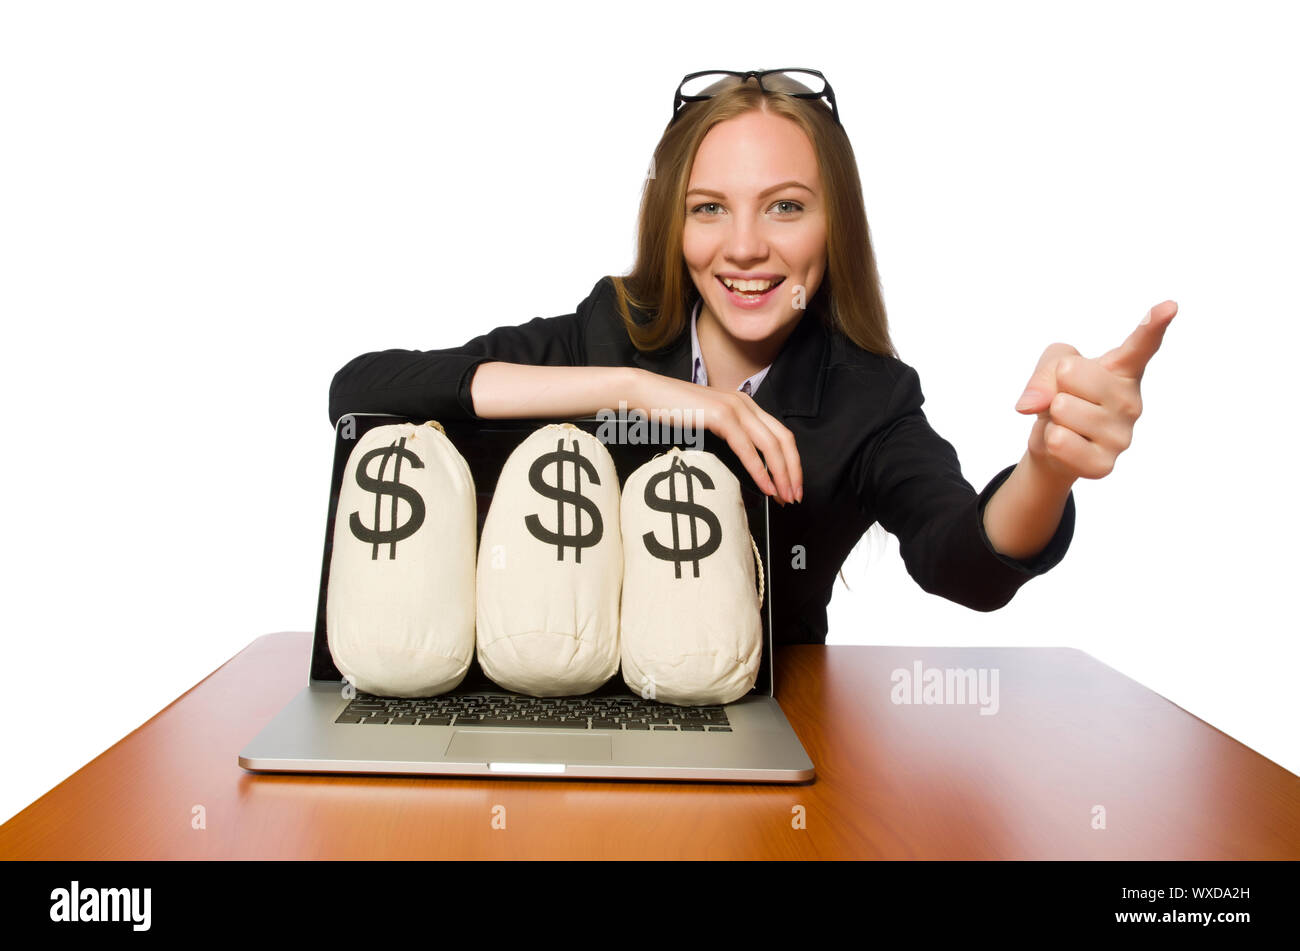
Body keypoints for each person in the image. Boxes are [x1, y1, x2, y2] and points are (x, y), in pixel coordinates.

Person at [328, 68, 1176, 646]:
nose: (742, 248)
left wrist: (1046, 468)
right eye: (708, 209)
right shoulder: (605, 333)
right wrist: (635, 389)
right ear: (676, 226)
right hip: (567, 719)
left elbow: (963, 559)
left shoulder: (865, 399)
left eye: (784, 207)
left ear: (833, 222)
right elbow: (364, 389)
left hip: (763, 730)